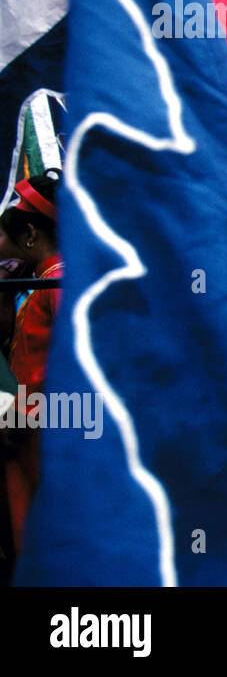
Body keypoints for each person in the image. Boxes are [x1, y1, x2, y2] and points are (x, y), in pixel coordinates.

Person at [0, 173, 62, 554]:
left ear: (30, 237)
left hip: (45, 432)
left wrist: (15, 421)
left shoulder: (55, 286)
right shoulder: (47, 281)